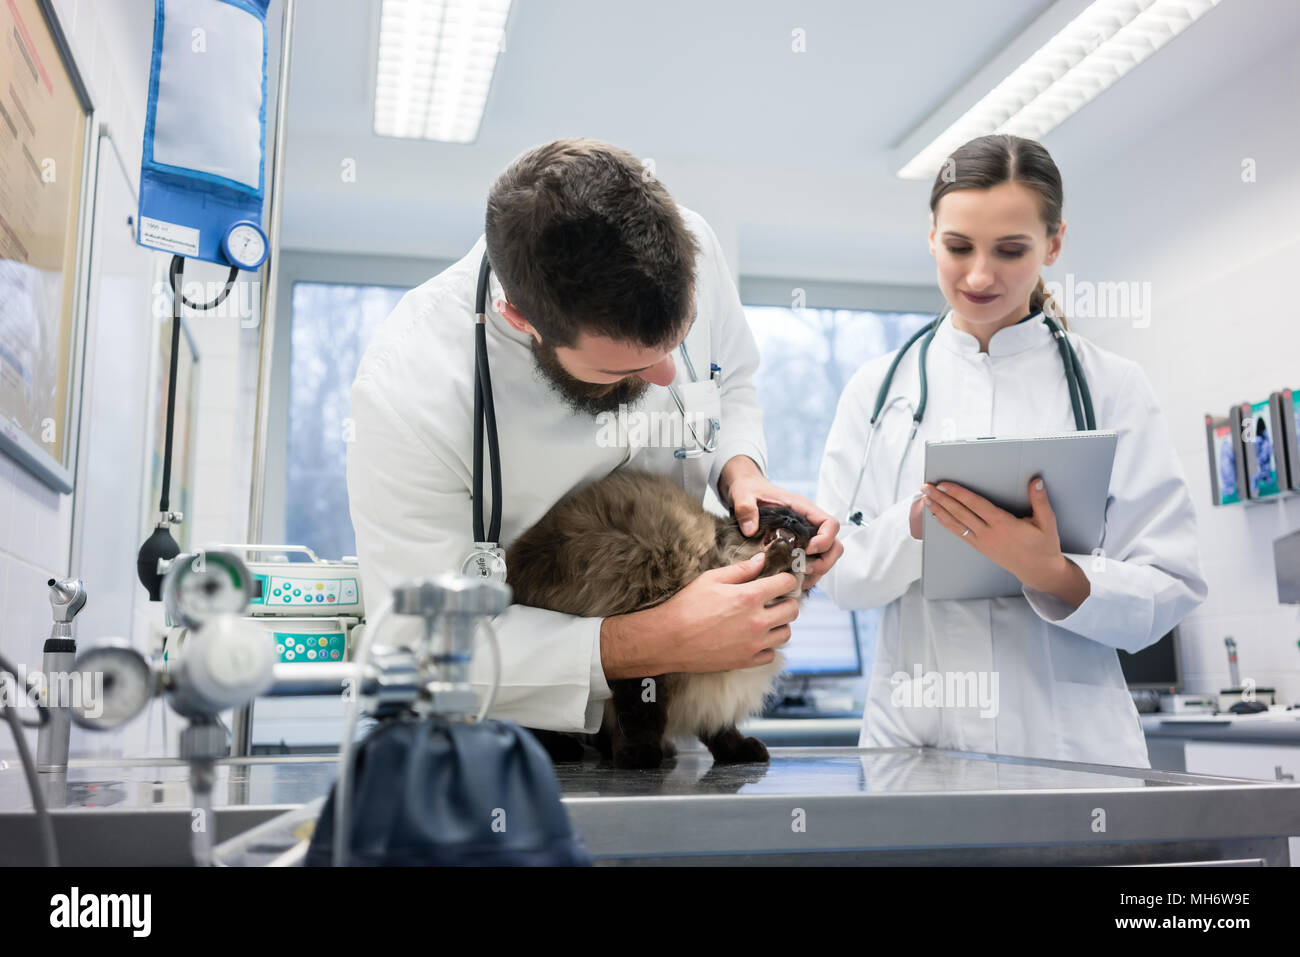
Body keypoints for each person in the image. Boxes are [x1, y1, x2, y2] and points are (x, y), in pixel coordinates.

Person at [347, 138, 842, 732]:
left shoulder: (696, 245)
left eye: (678, 341)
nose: (665, 376)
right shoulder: (409, 389)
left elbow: (731, 380)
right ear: (522, 322)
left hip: (665, 723)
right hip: (506, 738)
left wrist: (742, 471)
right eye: (624, 369)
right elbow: (419, 650)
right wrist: (653, 641)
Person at [817, 134, 1206, 768]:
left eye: (1011, 250)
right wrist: (916, 524)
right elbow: (840, 577)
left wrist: (1054, 574)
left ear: (1054, 244)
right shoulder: (876, 391)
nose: (979, 275)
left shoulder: (1112, 387)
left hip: (1072, 757)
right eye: (958, 247)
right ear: (931, 237)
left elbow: (1172, 584)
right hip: (919, 748)